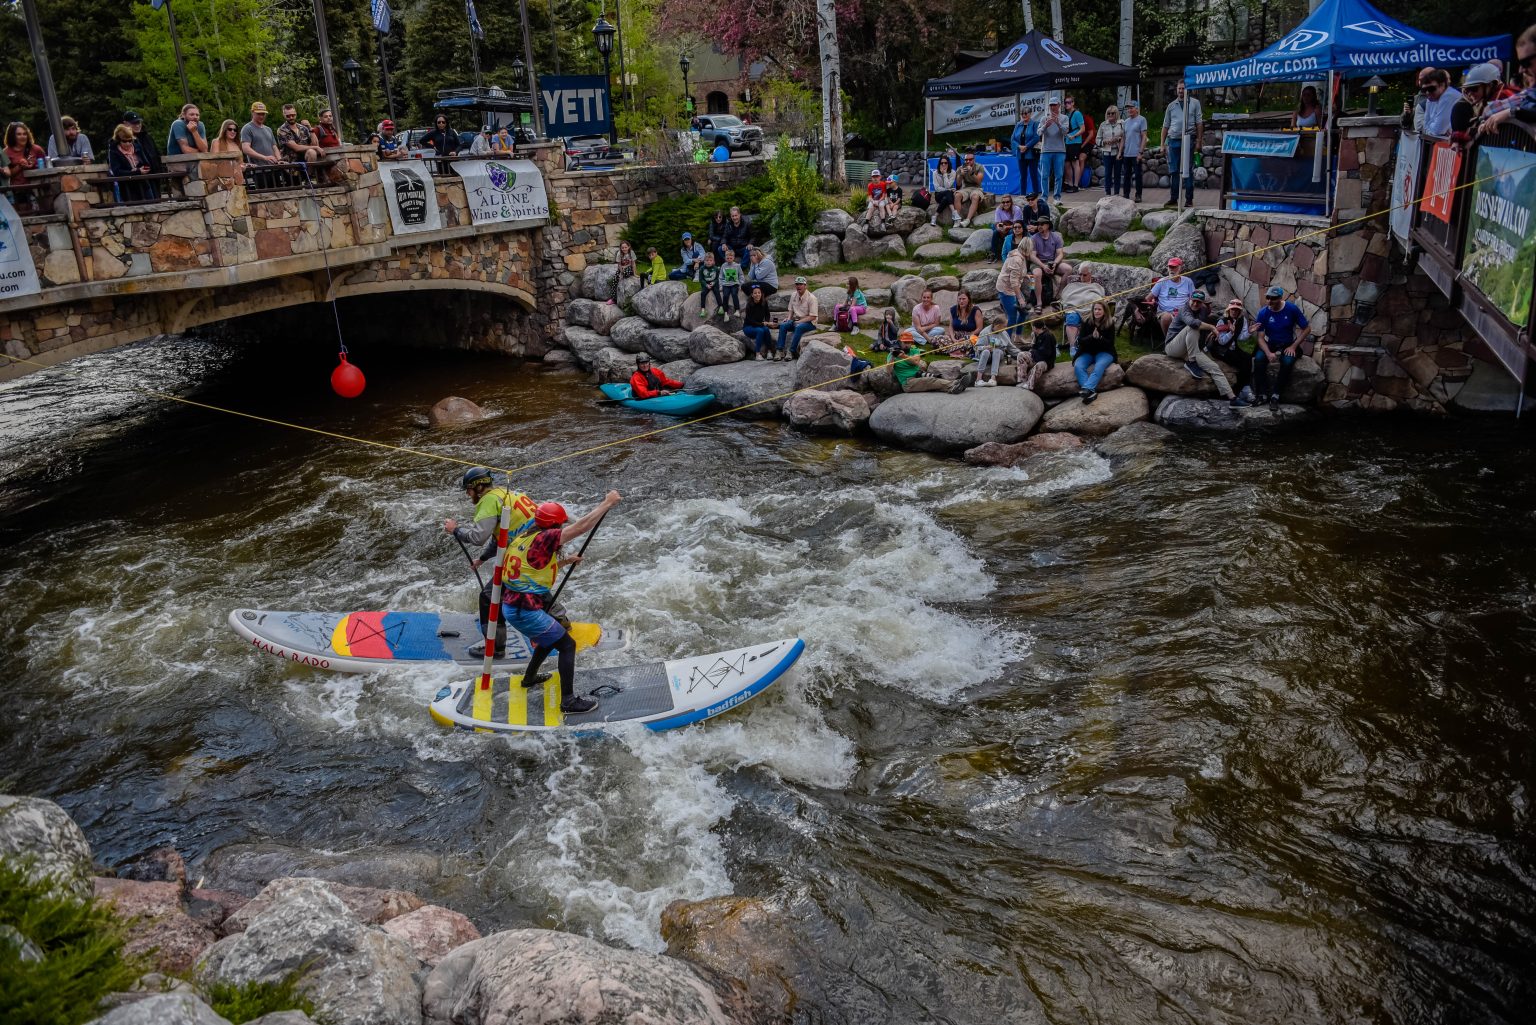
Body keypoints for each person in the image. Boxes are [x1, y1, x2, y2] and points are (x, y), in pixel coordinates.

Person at [502, 491, 624, 715]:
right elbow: (580, 527)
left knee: (549, 638)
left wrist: (566, 561)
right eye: (559, 526)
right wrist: (606, 503)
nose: (561, 530)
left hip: (514, 606)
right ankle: (568, 701)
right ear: (553, 527)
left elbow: (531, 569)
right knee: (567, 645)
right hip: (525, 610)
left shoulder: (524, 537)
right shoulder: (545, 537)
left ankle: (529, 678)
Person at [441, 467, 543, 658]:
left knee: (489, 597)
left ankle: (495, 648)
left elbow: (478, 537)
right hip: (540, 549)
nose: (467, 494)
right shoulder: (505, 494)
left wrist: (455, 530)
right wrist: (483, 558)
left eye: (468, 489)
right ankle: (562, 623)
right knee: (533, 588)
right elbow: (502, 534)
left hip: (524, 555)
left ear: (478, 487)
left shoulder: (488, 501)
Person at [1163, 290, 1237, 403]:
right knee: (1193, 327)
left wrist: (1227, 326)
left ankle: (1232, 398)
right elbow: (1193, 323)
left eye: (1199, 302)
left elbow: (1213, 320)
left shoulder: (1203, 310)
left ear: (1202, 303)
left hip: (1190, 348)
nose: (1195, 304)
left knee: (1214, 367)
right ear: (1190, 299)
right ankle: (1192, 362)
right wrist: (1212, 328)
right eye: (1194, 301)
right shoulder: (1184, 310)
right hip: (1173, 347)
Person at [1253, 285, 1311, 409]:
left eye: (1273, 298)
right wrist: (1268, 353)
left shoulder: (1291, 309)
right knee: (1258, 359)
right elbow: (1260, 338)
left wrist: (1294, 346)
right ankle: (1262, 394)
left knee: (1287, 361)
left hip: (1288, 343)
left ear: (1280, 298)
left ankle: (1276, 395)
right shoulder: (1263, 313)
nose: (1269, 301)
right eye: (1267, 298)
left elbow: (1307, 329)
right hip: (1272, 343)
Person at [1161, 81, 1203, 207]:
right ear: (1176, 89)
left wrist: (1199, 141)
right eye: (1179, 88)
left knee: (1188, 170)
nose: (1180, 91)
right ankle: (1174, 198)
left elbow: (1199, 123)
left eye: (1183, 88)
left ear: (1187, 89)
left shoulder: (1195, 103)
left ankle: (1189, 200)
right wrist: (1162, 144)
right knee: (1174, 170)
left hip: (1189, 139)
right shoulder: (1171, 106)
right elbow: (1165, 126)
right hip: (1173, 140)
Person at [1209, 298, 1256, 406]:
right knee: (1242, 363)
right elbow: (1221, 341)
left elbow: (1241, 338)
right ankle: (1241, 391)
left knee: (1248, 358)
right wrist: (1230, 332)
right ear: (1228, 310)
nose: (1234, 311)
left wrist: (1249, 332)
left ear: (1240, 311)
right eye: (1232, 309)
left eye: (1236, 310)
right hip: (1220, 349)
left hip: (1232, 347)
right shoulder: (1222, 321)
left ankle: (1245, 388)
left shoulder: (1242, 320)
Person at [1072, 301, 1117, 402]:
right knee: (1078, 366)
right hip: (1087, 351)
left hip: (1104, 352)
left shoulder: (1110, 323)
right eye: (1095, 309)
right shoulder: (1086, 321)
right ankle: (1089, 392)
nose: (1096, 311)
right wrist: (1091, 337)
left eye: (1099, 309)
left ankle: (1087, 390)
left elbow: (1110, 343)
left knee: (1099, 366)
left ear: (1105, 311)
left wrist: (1100, 337)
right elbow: (1080, 341)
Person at [1059, 266, 1107, 349]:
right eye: (1080, 274)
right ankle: (1072, 346)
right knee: (1072, 318)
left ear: (1090, 274)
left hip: (1090, 309)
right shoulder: (1072, 285)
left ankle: (1087, 344)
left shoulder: (1096, 286)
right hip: (1073, 308)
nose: (1081, 277)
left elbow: (1100, 297)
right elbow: (1066, 297)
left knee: (1094, 318)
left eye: (1084, 275)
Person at [1404, 68, 1461, 138]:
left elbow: (1437, 130)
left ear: (1442, 85)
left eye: (1431, 89)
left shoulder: (1448, 96)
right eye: (1424, 90)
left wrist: (1432, 127)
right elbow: (1425, 128)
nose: (1427, 92)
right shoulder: (1431, 99)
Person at [971, 312, 1020, 388]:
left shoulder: (1004, 333)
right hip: (986, 356)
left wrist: (1021, 354)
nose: (1005, 328)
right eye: (1004, 326)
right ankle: (978, 380)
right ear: (998, 326)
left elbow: (1011, 347)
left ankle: (993, 379)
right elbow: (976, 348)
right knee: (986, 352)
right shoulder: (985, 332)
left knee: (997, 351)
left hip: (998, 354)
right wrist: (985, 347)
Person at [1029, 217, 1068, 309]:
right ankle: (1039, 303)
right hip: (1038, 263)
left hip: (1051, 261)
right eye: (1038, 224)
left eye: (1042, 224)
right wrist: (1043, 266)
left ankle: (1059, 296)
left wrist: (1054, 263)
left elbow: (1060, 254)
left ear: (1048, 225)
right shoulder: (1033, 238)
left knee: (1068, 269)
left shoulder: (1056, 237)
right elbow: (1032, 256)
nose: (1039, 226)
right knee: (1037, 274)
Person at [2, 123, 46, 203]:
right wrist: (20, 166)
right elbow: (7, 174)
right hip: (18, 191)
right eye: (19, 134)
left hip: (38, 188)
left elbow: (46, 166)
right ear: (12, 136)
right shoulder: (6, 152)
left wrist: (33, 165)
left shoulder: (36, 149)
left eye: (25, 134)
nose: (23, 137)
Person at [996, 245, 1030, 344]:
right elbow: (1013, 281)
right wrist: (1020, 299)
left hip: (1013, 288)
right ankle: (1007, 342)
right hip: (1006, 289)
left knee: (1023, 312)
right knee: (1012, 316)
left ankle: (1018, 337)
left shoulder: (1021, 256)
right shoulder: (1017, 259)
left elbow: (1017, 273)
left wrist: (1024, 275)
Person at [776, 276, 817, 359]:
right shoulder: (794, 295)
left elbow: (813, 316)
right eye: (797, 284)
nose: (798, 286)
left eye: (801, 284)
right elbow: (791, 309)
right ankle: (779, 350)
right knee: (783, 325)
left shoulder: (812, 298)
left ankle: (791, 351)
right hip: (796, 320)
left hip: (809, 322)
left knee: (798, 327)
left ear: (805, 286)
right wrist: (788, 318)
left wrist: (799, 322)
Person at [1149, 257, 1194, 332]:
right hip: (1164, 312)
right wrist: (1153, 300)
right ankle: (1169, 342)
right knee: (1166, 317)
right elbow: (1148, 298)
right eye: (1170, 267)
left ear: (1180, 268)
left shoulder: (1188, 281)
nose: (1171, 269)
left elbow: (1193, 298)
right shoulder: (1161, 282)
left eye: (1174, 267)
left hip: (1183, 312)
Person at [1037, 97, 1068, 202]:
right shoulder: (1044, 118)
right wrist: (1046, 125)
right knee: (1044, 175)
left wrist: (1058, 123)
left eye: (1054, 105)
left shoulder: (1064, 118)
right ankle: (1044, 197)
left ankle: (1057, 198)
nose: (1053, 107)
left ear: (1059, 105)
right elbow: (1039, 133)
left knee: (1059, 175)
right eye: (1051, 105)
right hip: (1045, 150)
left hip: (1060, 151)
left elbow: (1065, 132)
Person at [1018, 317, 1057, 392]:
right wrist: (1024, 349)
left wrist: (1032, 353)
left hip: (1046, 361)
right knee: (1021, 355)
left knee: (1039, 365)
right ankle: (1022, 380)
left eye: (1032, 326)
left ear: (1035, 328)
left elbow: (1046, 353)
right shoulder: (1037, 335)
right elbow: (1034, 347)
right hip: (1036, 357)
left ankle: (1029, 384)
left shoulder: (1047, 336)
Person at [241, 102, 282, 169]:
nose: (261, 116)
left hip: (274, 167)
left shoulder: (268, 129)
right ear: (252, 112)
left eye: (263, 114)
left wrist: (280, 160)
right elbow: (246, 149)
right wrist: (265, 158)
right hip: (259, 169)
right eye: (258, 114)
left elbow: (274, 147)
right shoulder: (247, 128)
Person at [1120, 100, 1147, 201]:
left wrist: (1140, 152)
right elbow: (1123, 138)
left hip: (1136, 153)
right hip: (1127, 153)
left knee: (1138, 174)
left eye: (1131, 108)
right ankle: (1126, 194)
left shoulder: (1141, 120)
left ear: (1136, 108)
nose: (1129, 110)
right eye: (1128, 108)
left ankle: (1138, 195)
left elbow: (1144, 137)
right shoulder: (1125, 122)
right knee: (1126, 175)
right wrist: (1120, 152)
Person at [1012, 108, 1041, 198]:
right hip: (1021, 154)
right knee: (1022, 176)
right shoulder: (1018, 125)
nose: (1024, 115)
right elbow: (1013, 139)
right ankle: (1022, 196)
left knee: (1033, 175)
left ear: (1030, 114)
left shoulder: (1035, 124)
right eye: (1022, 113)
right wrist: (1019, 146)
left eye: (1025, 113)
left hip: (1032, 154)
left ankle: (1035, 195)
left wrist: (1026, 146)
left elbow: (1036, 137)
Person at [955, 152, 987, 227]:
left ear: (974, 159)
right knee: (957, 195)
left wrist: (972, 173)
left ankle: (967, 220)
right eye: (966, 160)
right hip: (965, 188)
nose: (968, 161)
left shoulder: (979, 167)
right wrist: (960, 175)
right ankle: (957, 219)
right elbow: (958, 184)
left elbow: (979, 181)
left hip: (977, 187)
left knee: (975, 197)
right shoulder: (960, 168)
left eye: (970, 159)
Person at [1098, 105, 1124, 197]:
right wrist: (1104, 141)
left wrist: (1119, 138)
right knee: (1107, 173)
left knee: (1117, 174)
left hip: (1117, 152)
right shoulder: (1103, 124)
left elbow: (1125, 137)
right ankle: (1107, 193)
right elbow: (1097, 140)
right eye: (1108, 113)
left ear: (1116, 114)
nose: (1110, 115)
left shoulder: (1121, 124)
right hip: (1107, 152)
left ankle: (1116, 193)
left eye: (1112, 113)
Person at [743, 284, 775, 357]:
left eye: (759, 293)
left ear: (761, 294)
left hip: (759, 325)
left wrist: (766, 322)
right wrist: (763, 324)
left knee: (766, 329)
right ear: (752, 295)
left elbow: (767, 314)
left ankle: (769, 351)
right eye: (755, 293)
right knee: (760, 331)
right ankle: (757, 354)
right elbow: (751, 321)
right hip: (748, 327)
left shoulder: (764, 302)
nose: (757, 295)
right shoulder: (749, 305)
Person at [1062, 95, 1085, 193]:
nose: (1067, 104)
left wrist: (1074, 135)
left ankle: (1076, 185)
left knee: (1075, 163)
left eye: (1069, 102)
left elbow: (1083, 129)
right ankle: (1070, 184)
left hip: (1075, 141)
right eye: (1065, 102)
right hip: (1067, 141)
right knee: (1067, 163)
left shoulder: (1077, 114)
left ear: (1073, 103)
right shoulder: (1066, 115)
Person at [989, 194, 1022, 262]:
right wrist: (999, 228)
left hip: (1014, 227)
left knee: (1010, 233)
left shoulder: (1016, 209)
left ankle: (1009, 253)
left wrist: (1007, 227)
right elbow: (997, 223)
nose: (1005, 204)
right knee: (995, 232)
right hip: (1002, 227)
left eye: (1007, 202)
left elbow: (1017, 224)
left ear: (1011, 202)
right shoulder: (998, 209)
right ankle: (993, 254)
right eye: (1003, 202)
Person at [929, 154, 957, 227]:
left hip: (948, 196)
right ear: (939, 164)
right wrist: (949, 189)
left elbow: (947, 185)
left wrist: (944, 174)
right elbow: (937, 188)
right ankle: (954, 213)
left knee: (946, 198)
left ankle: (934, 216)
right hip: (938, 195)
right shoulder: (935, 173)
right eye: (942, 163)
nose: (943, 164)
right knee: (948, 192)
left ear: (948, 164)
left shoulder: (953, 173)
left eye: (945, 163)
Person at [722, 206, 752, 271]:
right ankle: (729, 264)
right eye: (733, 216)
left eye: (736, 215)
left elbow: (753, 236)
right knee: (720, 248)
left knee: (750, 249)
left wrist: (750, 243)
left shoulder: (747, 223)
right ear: (731, 216)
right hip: (732, 248)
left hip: (743, 247)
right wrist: (724, 243)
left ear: (739, 215)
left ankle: (741, 267)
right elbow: (724, 236)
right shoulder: (728, 224)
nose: (734, 218)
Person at [697, 252, 722, 318]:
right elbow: (701, 279)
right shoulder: (702, 268)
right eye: (707, 260)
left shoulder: (716, 268)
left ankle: (721, 307)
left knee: (717, 292)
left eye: (710, 260)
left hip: (714, 283)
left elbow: (717, 278)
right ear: (704, 261)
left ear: (713, 261)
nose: (708, 262)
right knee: (703, 293)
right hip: (706, 283)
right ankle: (703, 309)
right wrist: (706, 285)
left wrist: (714, 282)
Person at [719, 247, 742, 315]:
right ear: (725, 258)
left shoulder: (737, 266)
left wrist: (740, 284)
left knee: (734, 294)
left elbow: (741, 275)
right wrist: (721, 286)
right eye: (727, 258)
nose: (729, 259)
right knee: (725, 295)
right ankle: (725, 311)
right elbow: (720, 277)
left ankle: (737, 310)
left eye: (731, 258)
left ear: (733, 257)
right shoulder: (723, 266)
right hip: (726, 284)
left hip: (734, 284)